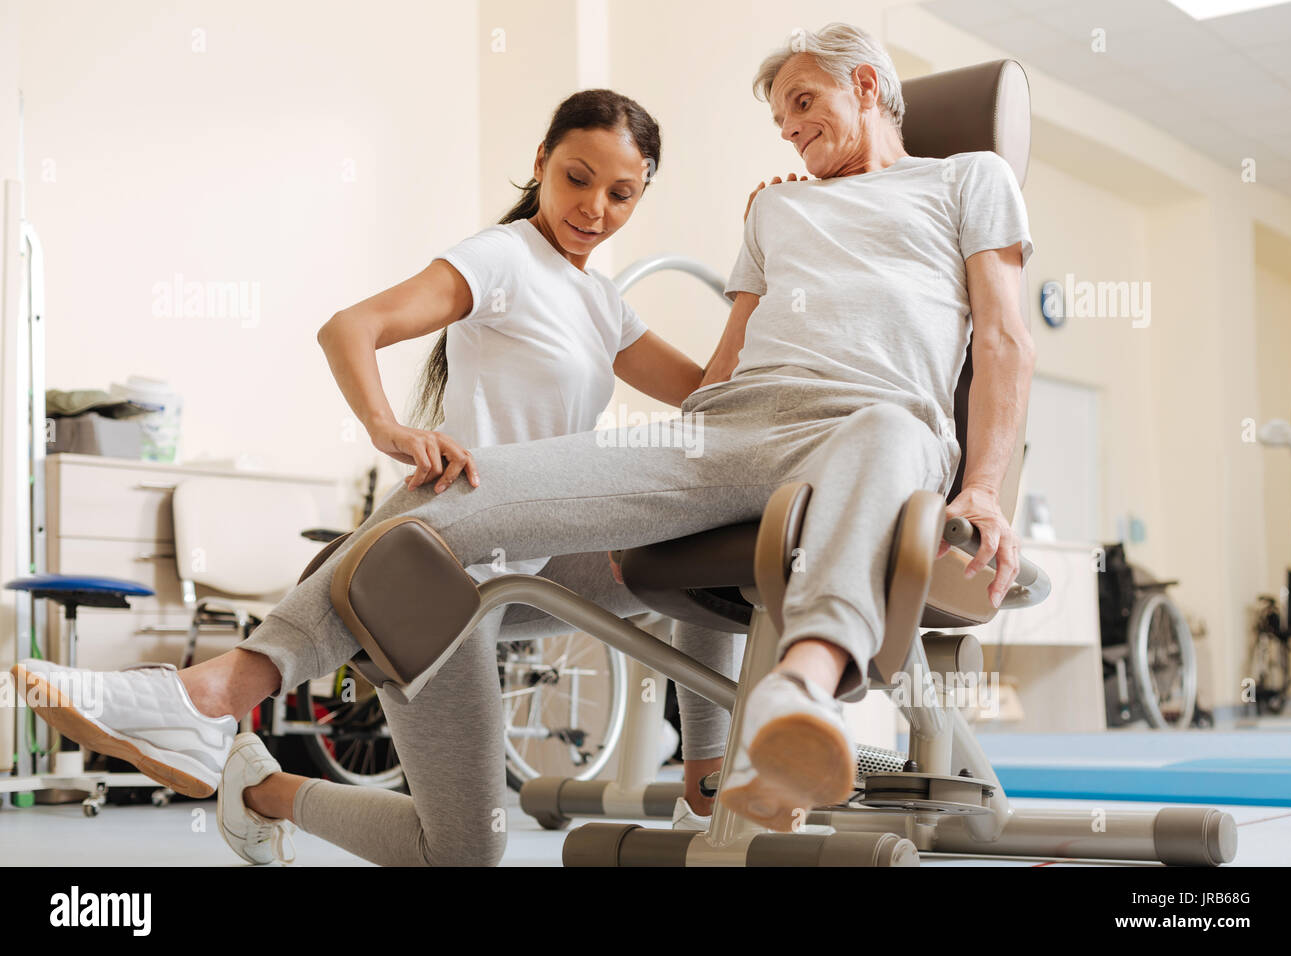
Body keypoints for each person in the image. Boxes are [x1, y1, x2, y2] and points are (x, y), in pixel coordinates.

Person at [14, 21, 1035, 860]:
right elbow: (721, 379)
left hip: (873, 418)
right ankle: (212, 696)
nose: (792, 135)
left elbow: (999, 336)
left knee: (889, 430)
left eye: (805, 105)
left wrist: (983, 485)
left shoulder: (964, 181)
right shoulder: (762, 217)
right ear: (544, 167)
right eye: (779, 120)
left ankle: (798, 692)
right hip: (727, 433)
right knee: (438, 506)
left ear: (869, 86)